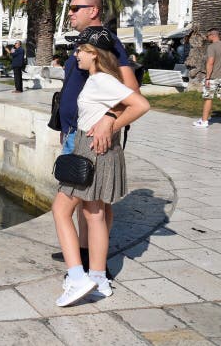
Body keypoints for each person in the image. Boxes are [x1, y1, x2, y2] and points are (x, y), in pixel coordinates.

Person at [52, 27, 150, 307]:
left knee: (61, 210)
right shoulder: (105, 79)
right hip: (99, 150)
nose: (76, 55)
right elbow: (127, 102)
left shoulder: (99, 81)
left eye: (80, 50)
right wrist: (109, 119)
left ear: (94, 54)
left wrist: (110, 123)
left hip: (90, 149)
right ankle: (98, 278)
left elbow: (141, 104)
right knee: (94, 214)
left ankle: (77, 277)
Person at [193, 28, 221, 130]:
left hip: (213, 78)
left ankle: (204, 121)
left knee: (208, 98)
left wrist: (207, 78)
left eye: (208, 36)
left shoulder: (212, 47)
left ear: (213, 35)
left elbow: (210, 62)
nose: (207, 38)